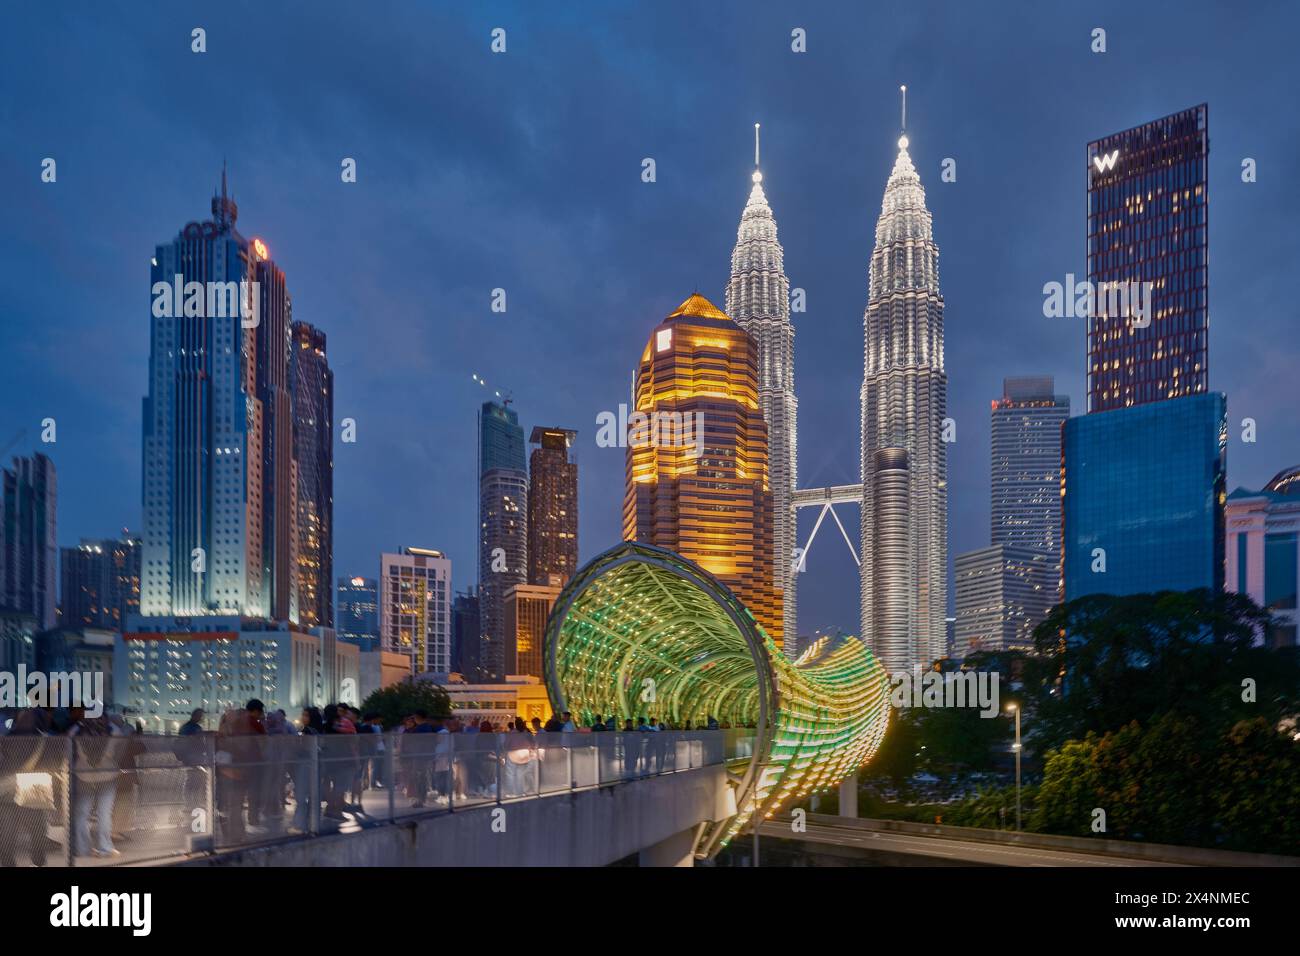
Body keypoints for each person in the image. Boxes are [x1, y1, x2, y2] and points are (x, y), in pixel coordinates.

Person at [67, 709, 125, 859]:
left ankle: (82, 849)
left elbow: (70, 752)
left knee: (81, 813)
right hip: (107, 773)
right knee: (104, 813)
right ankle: (105, 848)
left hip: (83, 774)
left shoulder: (76, 730)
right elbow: (120, 753)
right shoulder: (114, 730)